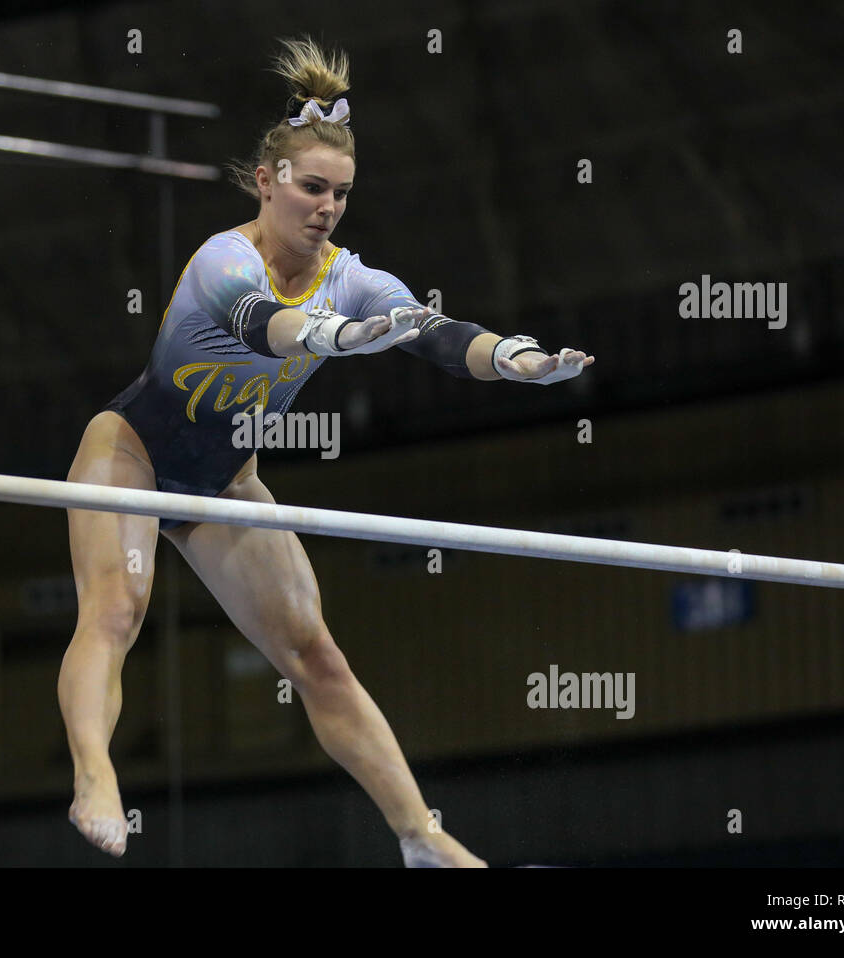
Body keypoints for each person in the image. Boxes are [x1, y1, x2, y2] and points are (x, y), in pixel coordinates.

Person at [58, 35, 593, 868]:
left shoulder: (352, 275)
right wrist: (338, 335)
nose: (327, 208)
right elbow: (261, 326)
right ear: (266, 181)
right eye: (312, 188)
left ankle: (421, 836)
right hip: (130, 450)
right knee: (117, 610)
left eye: (340, 193)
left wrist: (520, 361)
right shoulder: (222, 260)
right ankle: (95, 775)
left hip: (225, 481)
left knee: (317, 656)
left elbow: (439, 335)